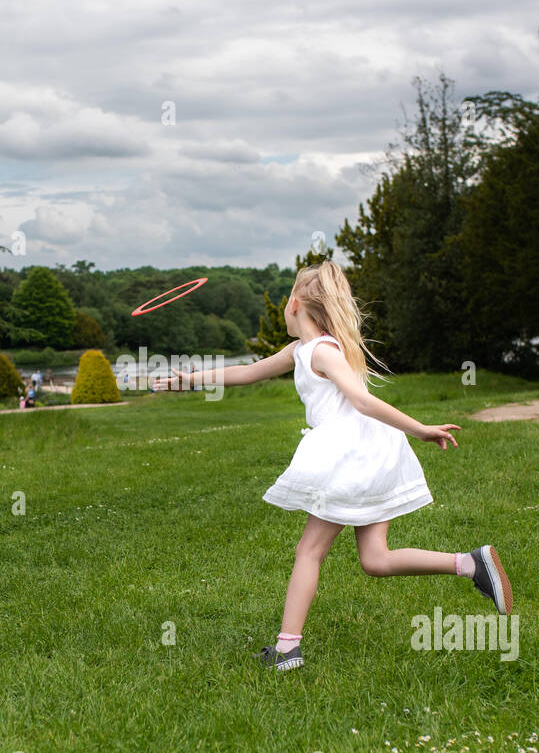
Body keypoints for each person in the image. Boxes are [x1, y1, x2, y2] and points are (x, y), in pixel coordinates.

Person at [153, 260, 512, 672]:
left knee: (309, 550)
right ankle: (471, 563)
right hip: (369, 451)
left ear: (295, 304)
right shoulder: (302, 349)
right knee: (375, 560)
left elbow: (361, 401)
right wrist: (190, 379)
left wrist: (420, 429)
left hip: (353, 452)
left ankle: (287, 651)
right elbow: (249, 372)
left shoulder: (323, 351)